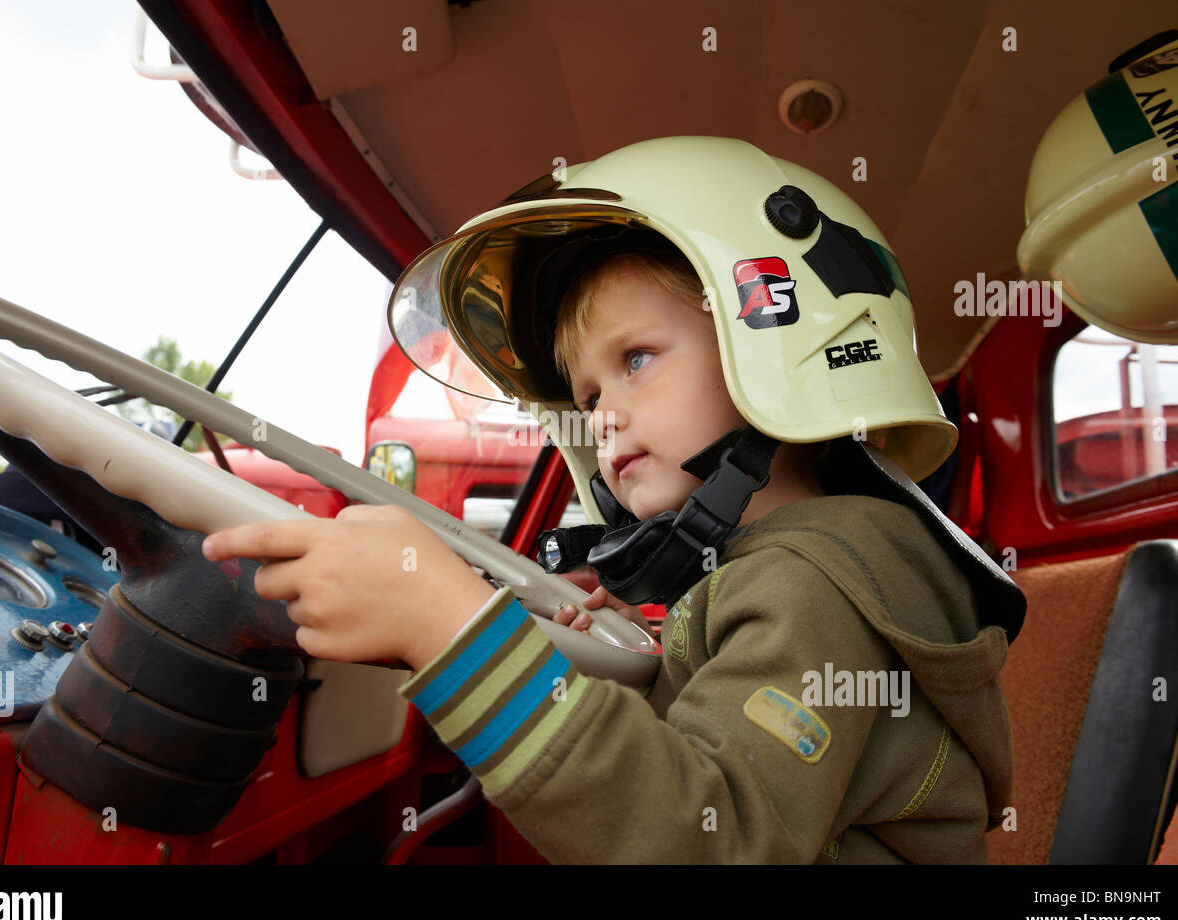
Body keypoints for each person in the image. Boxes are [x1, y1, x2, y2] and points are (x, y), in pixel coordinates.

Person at [201, 136, 1027, 863]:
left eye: (635, 359)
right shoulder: (780, 567)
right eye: (588, 392)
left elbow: (708, 838)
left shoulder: (819, 586)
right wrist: (629, 665)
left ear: (779, 340)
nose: (603, 415)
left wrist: (446, 628)